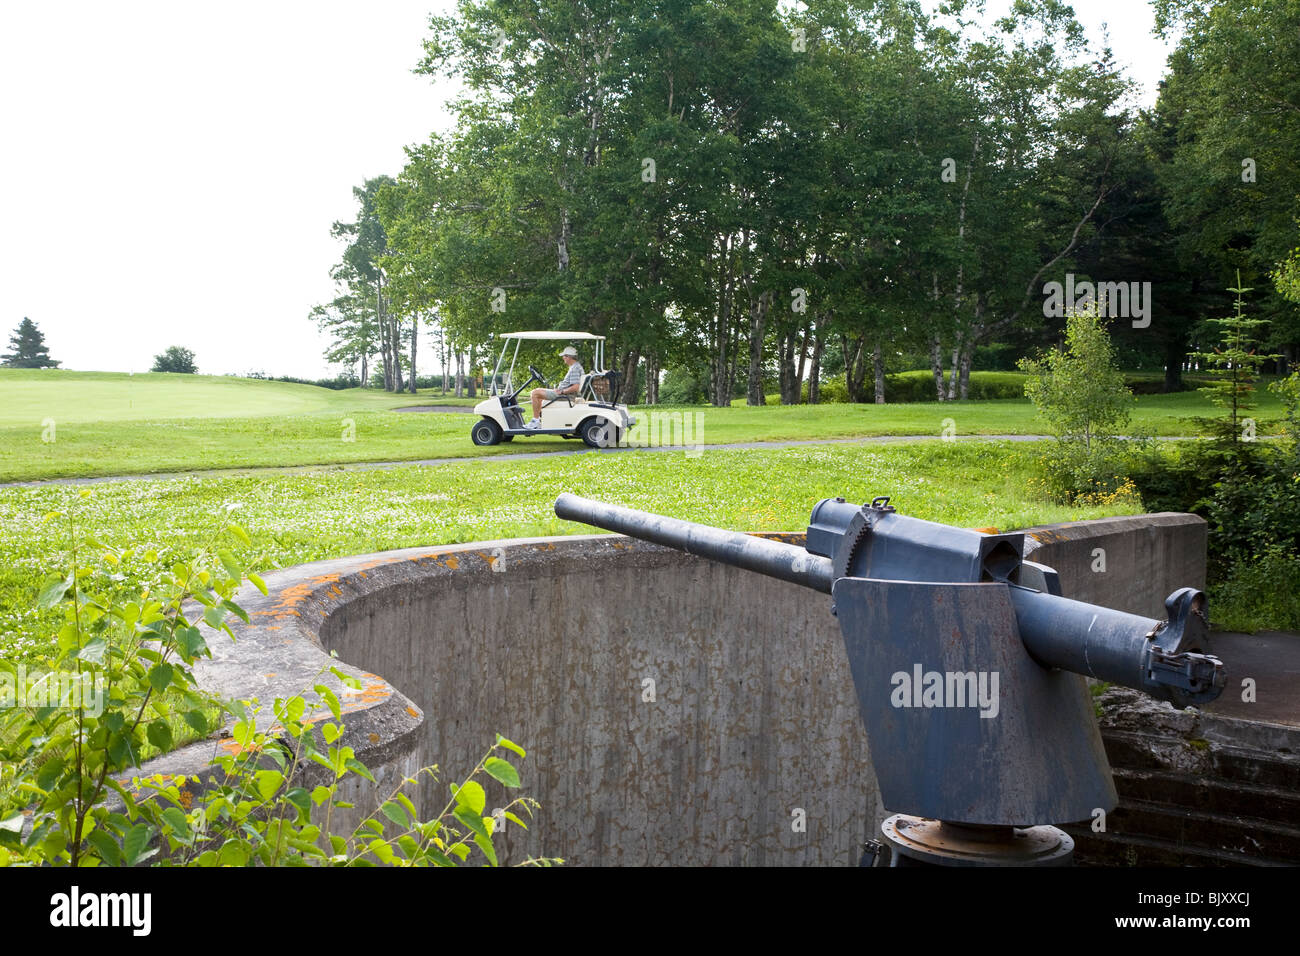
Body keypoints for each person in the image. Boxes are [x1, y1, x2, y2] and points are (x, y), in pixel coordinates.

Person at [525, 346, 584, 427]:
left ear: (569, 357)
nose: (563, 358)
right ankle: (538, 420)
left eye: (564, 356)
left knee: (535, 393)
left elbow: (575, 387)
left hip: (565, 395)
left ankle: (535, 421)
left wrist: (561, 391)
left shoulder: (575, 369)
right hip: (563, 393)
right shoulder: (575, 366)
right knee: (537, 391)